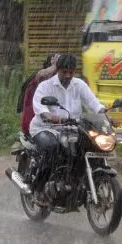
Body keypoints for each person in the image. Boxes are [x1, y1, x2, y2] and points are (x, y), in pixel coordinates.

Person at [25, 54, 106, 194]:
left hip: (72, 129)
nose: (68, 75)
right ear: (58, 70)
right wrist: (52, 117)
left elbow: (94, 104)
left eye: (71, 72)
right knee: (53, 149)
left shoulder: (79, 85)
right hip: (46, 128)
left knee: (89, 147)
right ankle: (39, 189)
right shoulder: (45, 86)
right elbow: (40, 109)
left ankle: (75, 180)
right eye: (64, 72)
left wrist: (107, 116)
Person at [18, 54, 59, 138]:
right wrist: (55, 66)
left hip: (53, 126)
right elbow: (42, 74)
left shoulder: (58, 85)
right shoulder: (38, 80)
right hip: (36, 127)